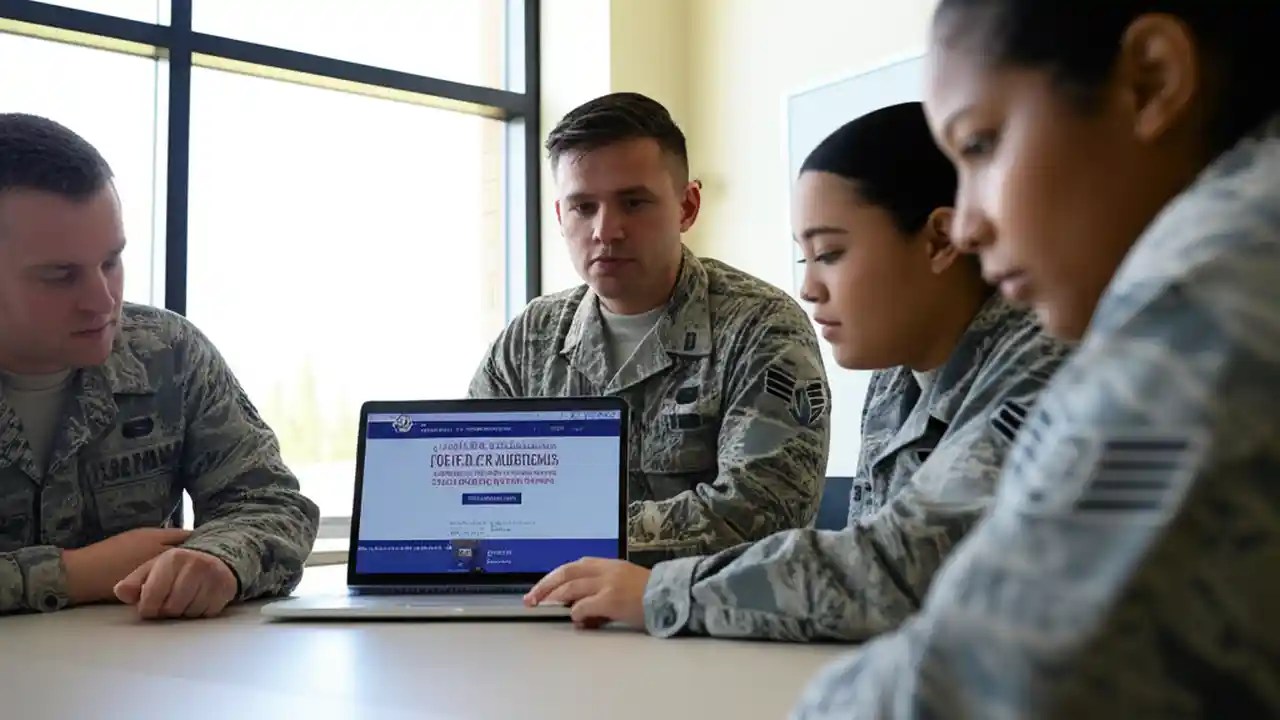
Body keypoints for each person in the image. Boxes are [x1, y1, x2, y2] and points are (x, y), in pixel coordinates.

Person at [793, 1, 1280, 717]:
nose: (967, 222)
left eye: (982, 145)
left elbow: (990, 677)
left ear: (1150, 79)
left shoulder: (1220, 276)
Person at [521, 102, 1072, 638]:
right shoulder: (900, 376)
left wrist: (661, 592)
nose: (808, 288)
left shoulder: (1045, 367)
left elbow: (902, 567)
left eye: (830, 254)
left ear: (939, 240)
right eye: (807, 259)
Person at [469, 92, 830, 567]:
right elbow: (469, 490)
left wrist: (565, 531)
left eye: (634, 203)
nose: (606, 231)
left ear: (687, 206)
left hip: (696, 627)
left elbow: (761, 515)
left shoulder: (761, 328)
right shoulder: (531, 338)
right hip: (543, 616)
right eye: (582, 207)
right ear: (560, 216)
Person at [0, 113, 320, 619]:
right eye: (60, 276)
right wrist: (74, 574)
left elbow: (270, 503)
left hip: (145, 682)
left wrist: (216, 560)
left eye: (111, 261)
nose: (102, 301)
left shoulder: (167, 352)